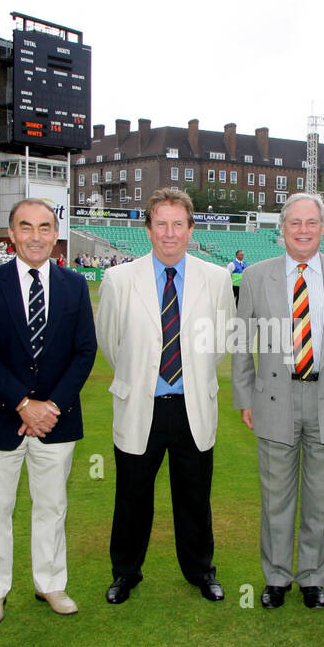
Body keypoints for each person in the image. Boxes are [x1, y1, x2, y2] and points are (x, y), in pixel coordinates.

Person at [95, 187, 236, 604]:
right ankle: (125, 572)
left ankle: (200, 571)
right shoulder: (119, 279)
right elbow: (110, 342)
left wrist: (189, 375)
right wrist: (143, 375)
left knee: (194, 498)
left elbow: (223, 338)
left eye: (178, 224)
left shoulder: (216, 278)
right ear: (148, 229)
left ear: (191, 229)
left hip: (192, 406)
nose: (169, 233)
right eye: (161, 224)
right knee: (132, 497)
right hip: (142, 404)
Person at [232, 194, 324, 610]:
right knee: (275, 496)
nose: (303, 230)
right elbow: (241, 343)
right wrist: (243, 396)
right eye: (295, 223)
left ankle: (312, 576)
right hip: (275, 397)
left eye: (311, 223)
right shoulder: (256, 276)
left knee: (321, 495)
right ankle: (276, 577)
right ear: (283, 229)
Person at [0, 199, 97, 622]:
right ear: (12, 233)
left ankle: (51, 584)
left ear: (55, 233)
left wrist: (51, 406)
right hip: (2, 418)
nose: (36, 236)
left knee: (51, 507)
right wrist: (24, 404)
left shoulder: (74, 285)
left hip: (56, 421)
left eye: (45, 227)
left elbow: (84, 352)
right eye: (26, 227)